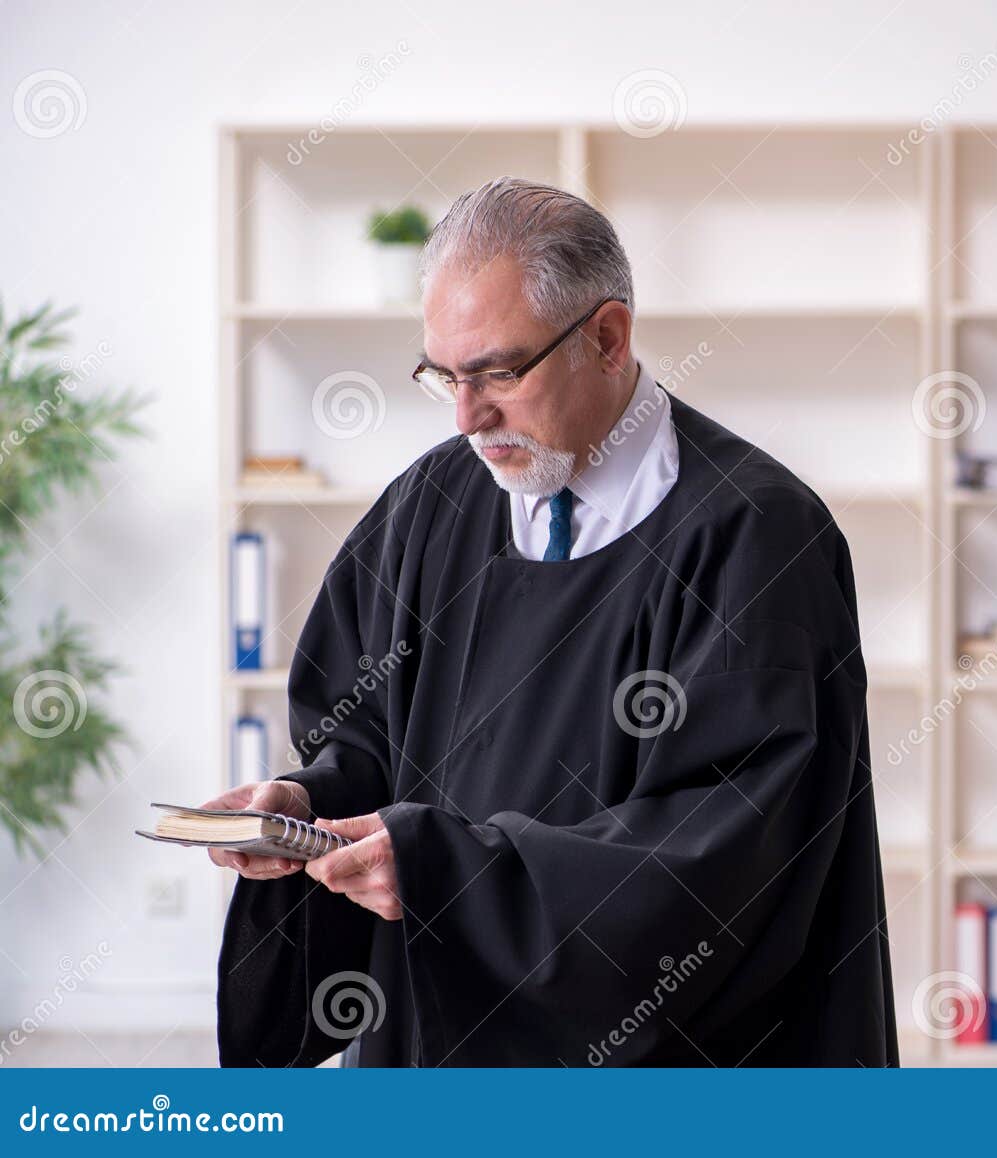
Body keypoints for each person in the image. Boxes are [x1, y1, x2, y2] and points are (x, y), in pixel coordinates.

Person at [206, 177, 898, 1067]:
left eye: (499, 372)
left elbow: (731, 850)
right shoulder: (430, 504)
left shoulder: (754, 533)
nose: (469, 416)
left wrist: (451, 872)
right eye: (444, 377)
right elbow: (368, 735)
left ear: (607, 338)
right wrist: (309, 808)